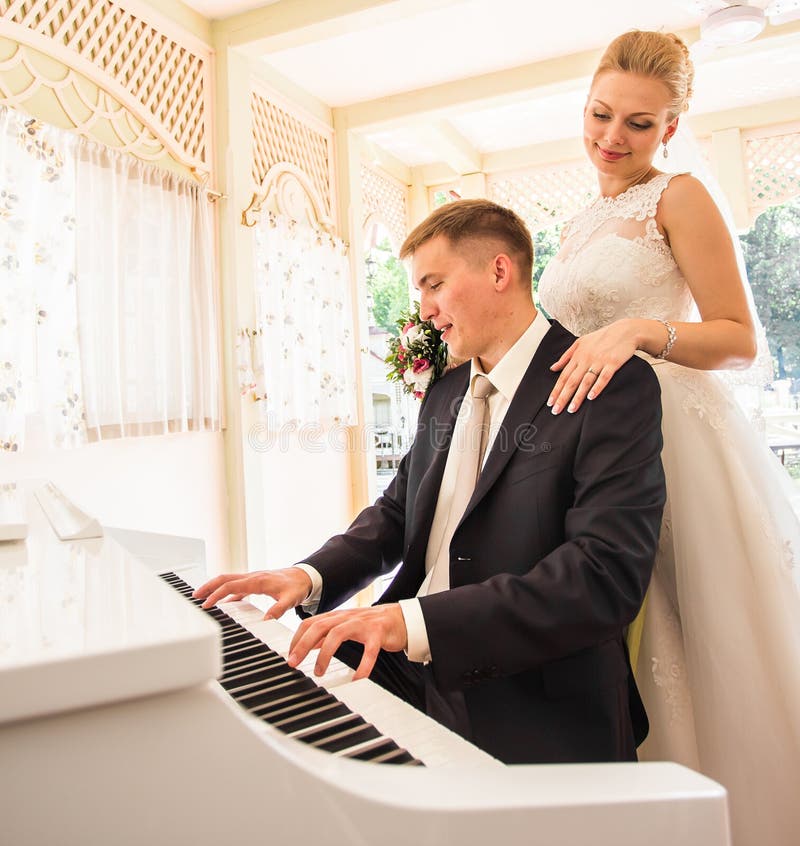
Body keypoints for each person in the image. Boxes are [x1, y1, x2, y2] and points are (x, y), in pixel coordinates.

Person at [194, 198, 666, 765]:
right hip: (406, 669)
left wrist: (409, 623)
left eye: (433, 284)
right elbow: (397, 513)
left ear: (499, 271)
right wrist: (307, 575)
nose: (423, 311)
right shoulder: (445, 391)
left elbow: (603, 576)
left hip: (530, 692)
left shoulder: (609, 385)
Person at [537, 28, 800, 846]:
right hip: (589, 447)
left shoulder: (678, 196)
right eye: (600, 114)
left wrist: (644, 329)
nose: (612, 138)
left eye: (639, 124)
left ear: (671, 130)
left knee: (691, 634)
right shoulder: (583, 218)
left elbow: (738, 339)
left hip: (673, 441)